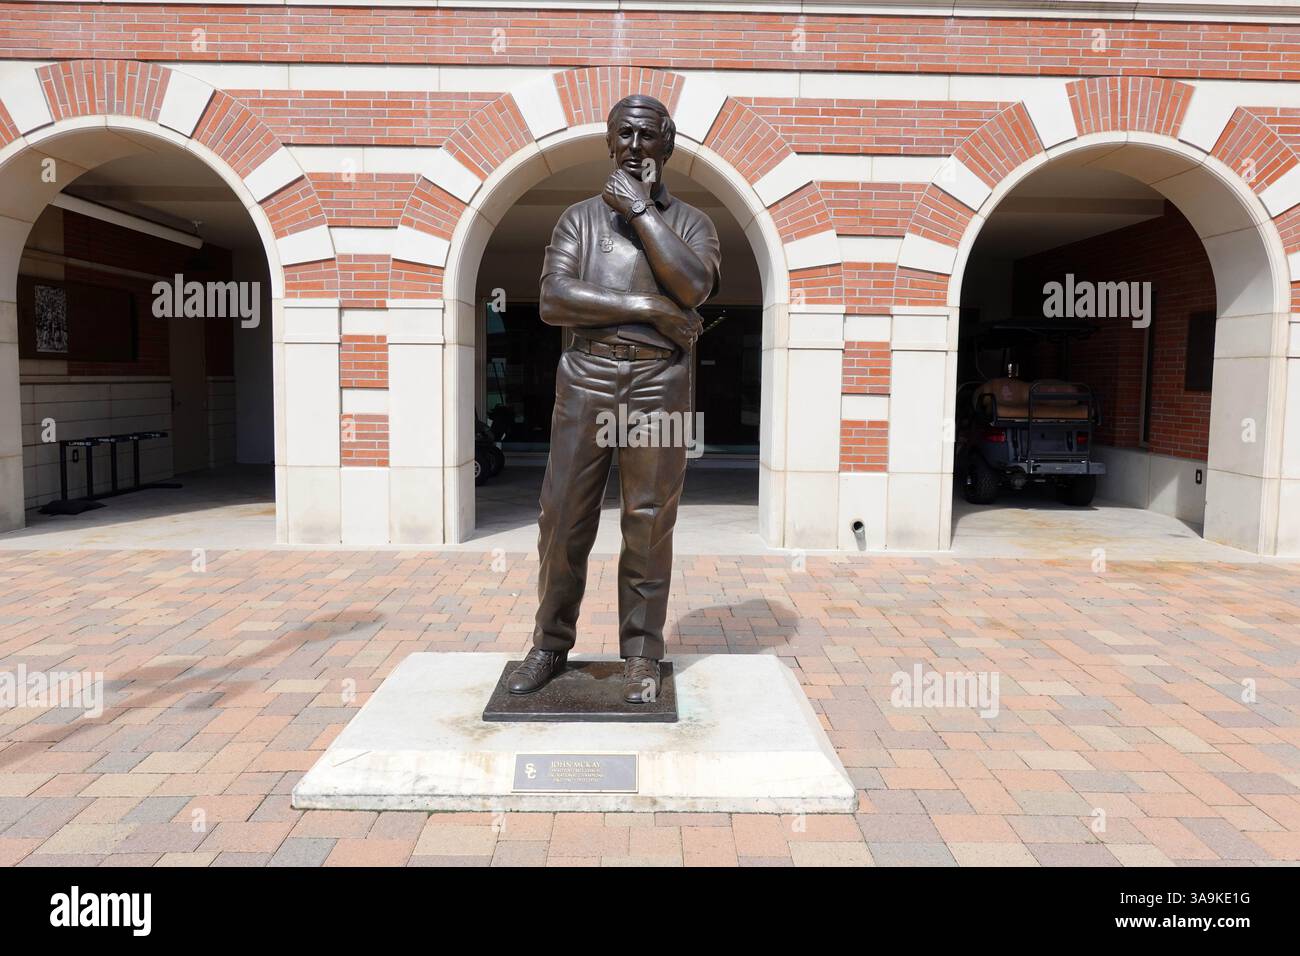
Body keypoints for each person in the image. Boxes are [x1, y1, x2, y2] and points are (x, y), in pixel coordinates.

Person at [506, 94, 721, 703]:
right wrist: (648, 307)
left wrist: (642, 212)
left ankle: (642, 655)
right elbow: (554, 301)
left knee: (649, 522)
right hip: (587, 377)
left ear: (666, 146)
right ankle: (550, 644)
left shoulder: (691, 223)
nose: (633, 144)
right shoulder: (578, 219)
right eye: (623, 133)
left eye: (647, 135)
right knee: (563, 515)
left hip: (659, 383)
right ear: (609, 142)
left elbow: (693, 285)